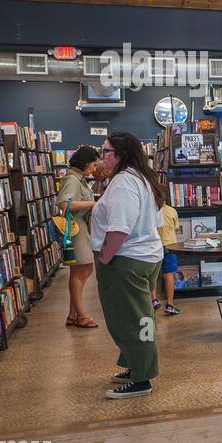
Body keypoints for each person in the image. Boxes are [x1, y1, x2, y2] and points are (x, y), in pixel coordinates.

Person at [91, 132, 166, 400]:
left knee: (132, 320)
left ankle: (142, 377)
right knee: (139, 316)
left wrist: (104, 258)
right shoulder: (141, 178)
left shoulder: (123, 182)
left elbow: (119, 229)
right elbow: (156, 223)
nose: (103, 157)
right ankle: (136, 365)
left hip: (127, 259)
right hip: (147, 255)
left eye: (107, 152)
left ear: (121, 155)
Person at [59, 145, 101, 329]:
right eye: (93, 164)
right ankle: (81, 315)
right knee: (81, 272)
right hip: (77, 231)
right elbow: (64, 204)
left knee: (81, 272)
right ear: (85, 163)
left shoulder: (80, 179)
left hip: (81, 229)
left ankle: (73, 314)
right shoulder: (73, 180)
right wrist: (93, 203)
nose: (95, 168)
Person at [153, 201, 181, 316]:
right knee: (168, 275)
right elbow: (176, 229)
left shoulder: (151, 210)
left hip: (154, 245)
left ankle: (154, 300)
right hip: (170, 245)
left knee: (153, 274)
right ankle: (170, 304)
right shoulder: (172, 210)